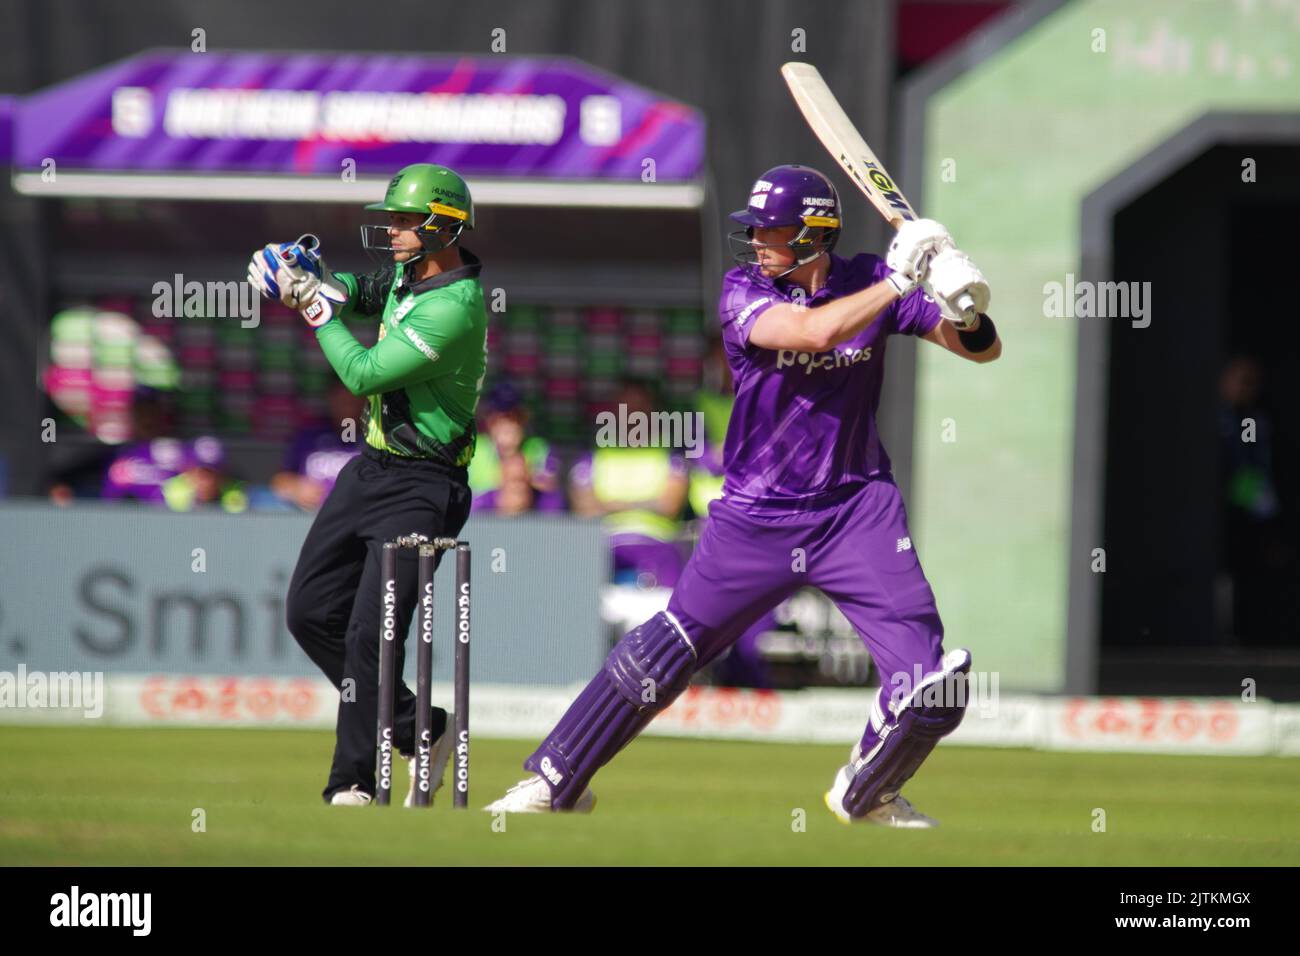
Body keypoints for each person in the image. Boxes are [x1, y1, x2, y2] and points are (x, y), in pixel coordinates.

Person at [486, 164, 1001, 827]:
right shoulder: (743, 293)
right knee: (664, 651)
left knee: (929, 677)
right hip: (758, 514)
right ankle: (555, 780)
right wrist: (900, 279)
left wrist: (962, 295)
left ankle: (867, 790)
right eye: (754, 229)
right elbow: (815, 333)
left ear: (814, 236)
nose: (757, 241)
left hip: (856, 508)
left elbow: (981, 350)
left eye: (772, 230)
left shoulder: (869, 279)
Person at [248, 163, 487, 806]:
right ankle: (422, 727)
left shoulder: (455, 307)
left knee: (370, 633)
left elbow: (361, 375)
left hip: (425, 485)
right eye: (394, 221)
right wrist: (305, 274)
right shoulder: (410, 278)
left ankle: (353, 780)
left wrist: (312, 306)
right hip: (372, 471)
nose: (396, 233)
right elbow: (360, 287)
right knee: (307, 613)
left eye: (407, 223)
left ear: (444, 226)